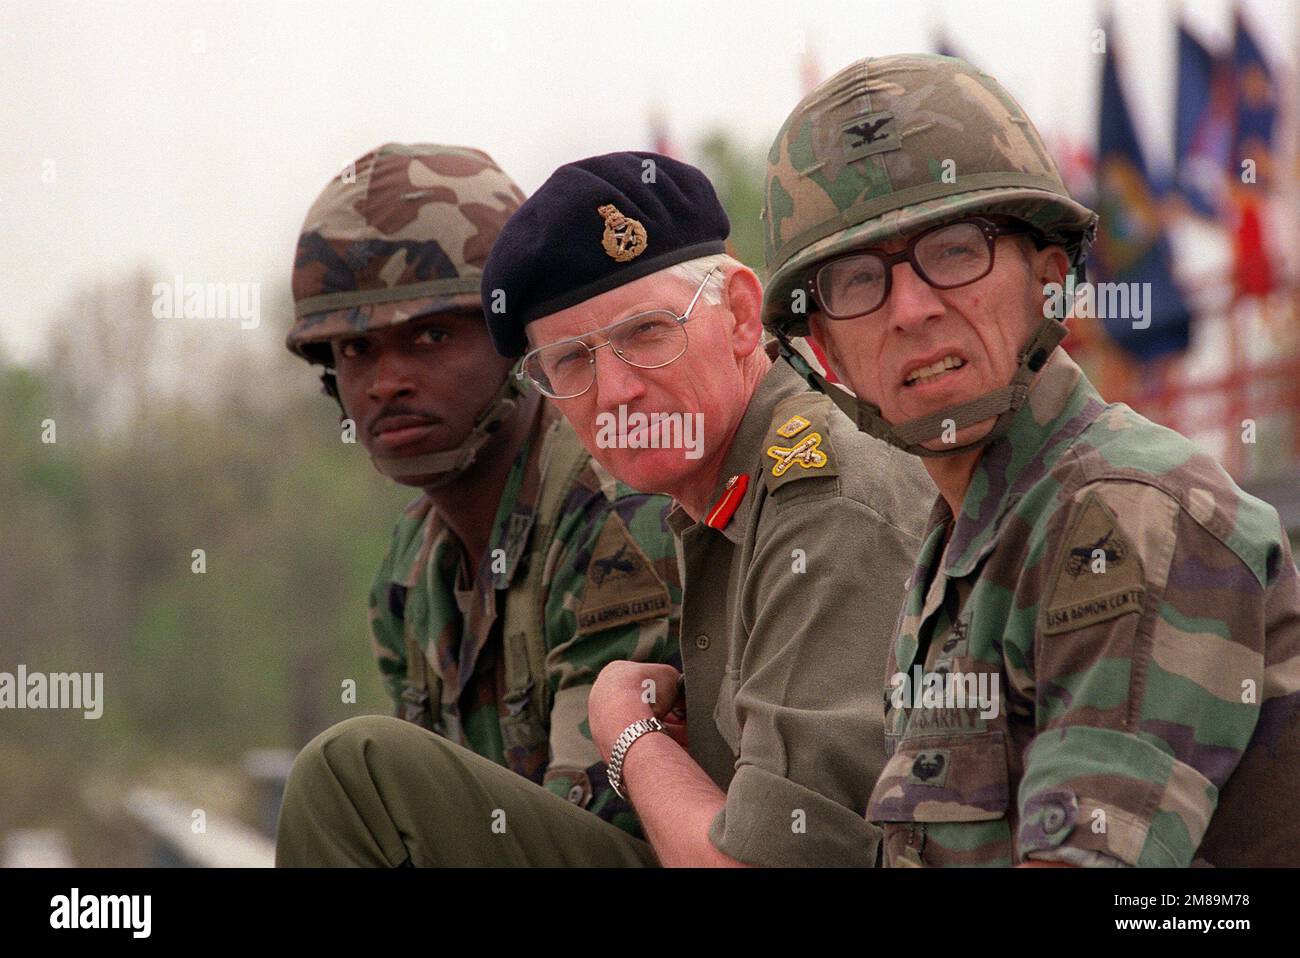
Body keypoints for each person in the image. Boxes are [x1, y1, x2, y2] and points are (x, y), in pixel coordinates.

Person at [760, 53, 1300, 866]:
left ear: (1050, 282)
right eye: (857, 279)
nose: (911, 309)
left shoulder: (1123, 513)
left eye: (954, 251)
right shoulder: (967, 543)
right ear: (826, 351)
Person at [478, 151, 933, 866]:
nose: (616, 391)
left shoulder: (825, 502)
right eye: (571, 360)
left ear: (743, 319)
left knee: (360, 773)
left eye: (646, 333)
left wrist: (627, 729)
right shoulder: (717, 500)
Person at [275, 143, 683, 866]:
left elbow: (605, 830)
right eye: (355, 351)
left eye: (430, 336)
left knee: (351, 770)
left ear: (516, 341)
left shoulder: (614, 510)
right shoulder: (411, 569)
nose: (385, 382)